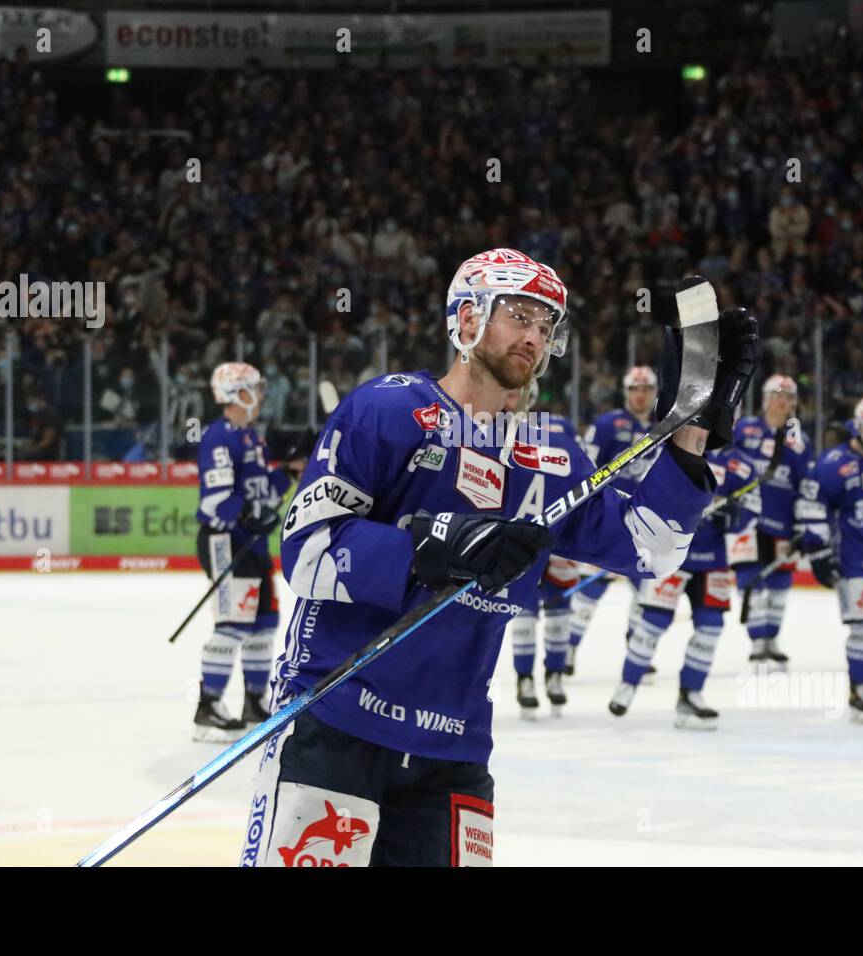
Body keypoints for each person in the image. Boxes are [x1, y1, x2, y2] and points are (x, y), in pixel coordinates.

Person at [242, 249, 758, 866]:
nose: (535, 336)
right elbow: (305, 550)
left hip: (453, 748)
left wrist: (689, 436)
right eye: (519, 315)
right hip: (338, 718)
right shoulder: (389, 410)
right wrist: (430, 546)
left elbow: (654, 547)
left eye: (547, 325)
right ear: (465, 321)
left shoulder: (551, 450)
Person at [607, 430, 759, 729]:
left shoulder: (742, 465)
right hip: (670, 556)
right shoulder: (671, 450)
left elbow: (752, 513)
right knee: (652, 623)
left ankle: (691, 695)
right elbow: (645, 492)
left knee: (711, 628)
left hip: (713, 561)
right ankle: (628, 683)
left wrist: (735, 516)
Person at [192, 362, 285, 742]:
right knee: (232, 624)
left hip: (252, 543)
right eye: (254, 389)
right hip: (227, 540)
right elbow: (216, 502)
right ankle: (207, 708)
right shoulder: (219, 437)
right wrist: (250, 515)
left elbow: (263, 494)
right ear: (235, 395)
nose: (260, 395)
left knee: (264, 623)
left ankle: (254, 702)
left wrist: (290, 470)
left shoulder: (252, 438)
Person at [802, 393, 863, 723]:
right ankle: (858, 688)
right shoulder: (835, 463)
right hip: (853, 559)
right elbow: (813, 505)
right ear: (859, 428)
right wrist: (819, 550)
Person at [565, 366, 659, 675]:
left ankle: (636, 654)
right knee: (589, 594)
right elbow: (586, 467)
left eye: (646, 389)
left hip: (647, 527)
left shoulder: (665, 427)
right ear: (626, 392)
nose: (640, 394)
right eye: (635, 389)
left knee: (645, 595)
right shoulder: (607, 425)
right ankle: (566, 650)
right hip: (607, 519)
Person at [505, 399, 582, 718]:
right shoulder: (504, 429)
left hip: (558, 537)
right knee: (524, 610)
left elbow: (579, 479)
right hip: (522, 535)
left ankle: (554, 675)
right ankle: (524, 679)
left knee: (559, 610)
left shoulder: (562, 429)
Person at [730, 374, 812, 666]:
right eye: (778, 394)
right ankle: (756, 641)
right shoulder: (745, 429)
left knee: (779, 584)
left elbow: (805, 483)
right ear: (766, 398)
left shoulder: (798, 438)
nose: (783, 400)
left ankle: (771, 638)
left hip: (782, 523)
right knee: (750, 580)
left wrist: (803, 523)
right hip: (746, 522)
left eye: (789, 395)